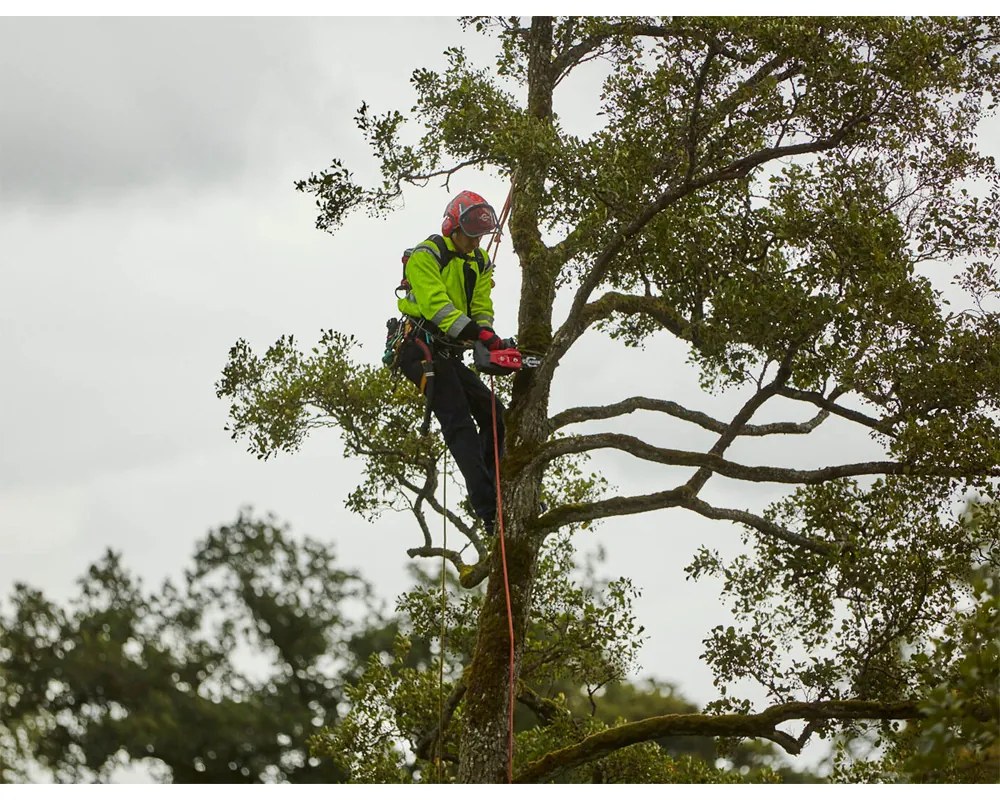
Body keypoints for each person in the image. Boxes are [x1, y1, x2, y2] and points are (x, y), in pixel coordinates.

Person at [396, 191, 509, 534]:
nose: (475, 243)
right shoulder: (425, 257)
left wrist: (488, 335)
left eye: (479, 238)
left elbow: (481, 306)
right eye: (470, 236)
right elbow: (437, 308)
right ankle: (490, 511)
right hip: (420, 349)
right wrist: (479, 334)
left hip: (450, 352)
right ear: (452, 227)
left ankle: (503, 492)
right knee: (459, 424)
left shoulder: (478, 262)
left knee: (493, 412)